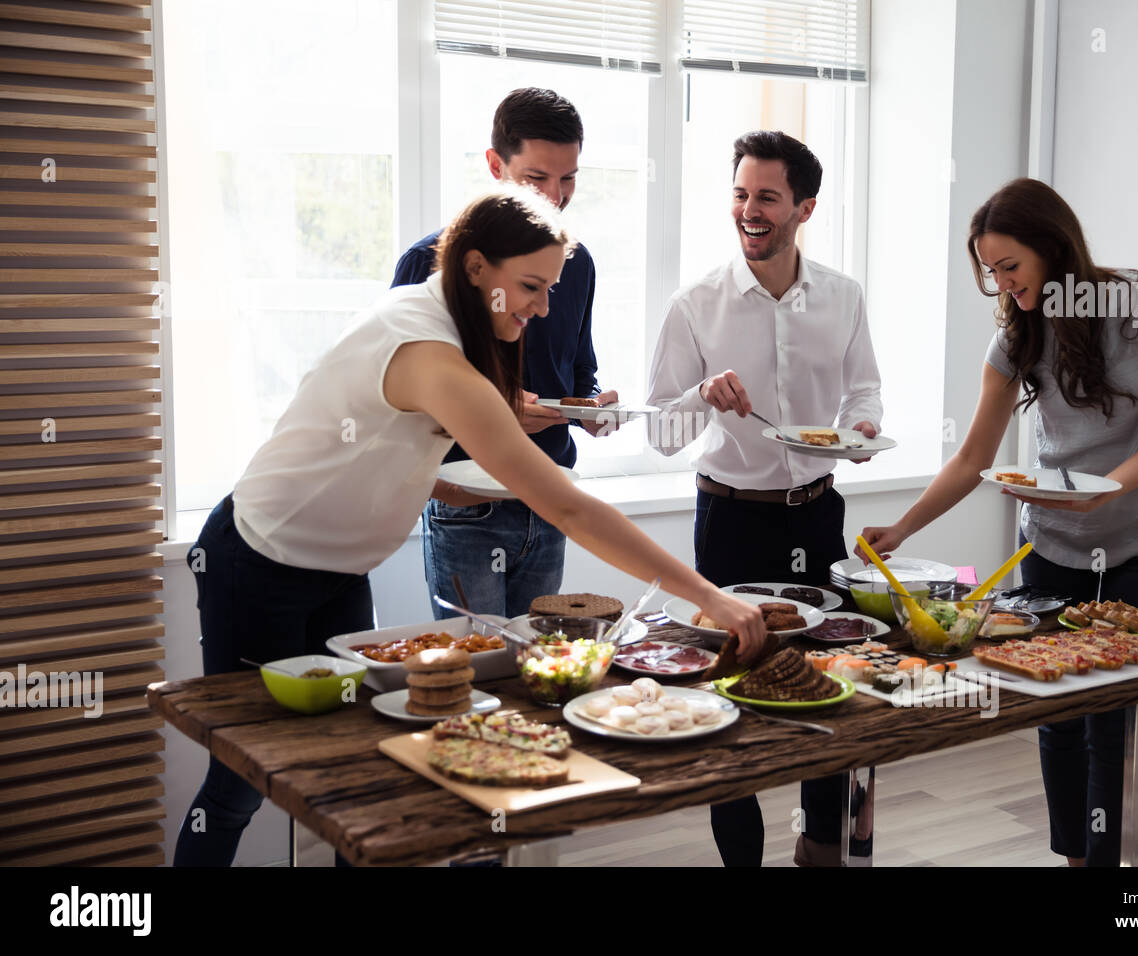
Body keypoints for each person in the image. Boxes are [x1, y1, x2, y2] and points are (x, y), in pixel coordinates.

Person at [174, 185, 765, 866]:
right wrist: (708, 596)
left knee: (362, 778)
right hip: (257, 565)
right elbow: (567, 506)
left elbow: (365, 439)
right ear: (477, 267)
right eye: (532, 286)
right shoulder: (429, 350)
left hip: (338, 573)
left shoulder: (445, 320)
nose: (543, 308)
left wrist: (435, 482)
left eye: (550, 290)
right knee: (240, 782)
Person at [857, 177, 1138, 867]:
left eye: (1010, 266)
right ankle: (1075, 859)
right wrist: (901, 530)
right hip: (1053, 538)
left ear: (1054, 247)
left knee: (1112, 706)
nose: (1003, 285)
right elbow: (973, 458)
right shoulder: (1017, 336)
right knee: (1054, 708)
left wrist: (1105, 489)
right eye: (991, 272)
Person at [646, 131, 883, 867]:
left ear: (804, 208)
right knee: (731, 686)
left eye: (767, 198)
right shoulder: (696, 304)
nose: (749, 210)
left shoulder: (842, 296)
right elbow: (659, 431)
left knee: (823, 673)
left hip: (816, 512)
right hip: (730, 520)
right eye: (741, 194)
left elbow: (864, 386)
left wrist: (861, 426)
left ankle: (819, 844)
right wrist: (701, 395)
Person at [391, 87, 618, 620]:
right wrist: (493, 411)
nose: (555, 196)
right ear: (495, 164)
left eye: (568, 179)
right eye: (537, 178)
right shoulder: (428, 263)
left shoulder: (577, 264)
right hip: (468, 503)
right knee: (478, 672)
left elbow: (578, 366)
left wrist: (587, 406)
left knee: (537, 670)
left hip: (550, 495)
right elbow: (400, 404)